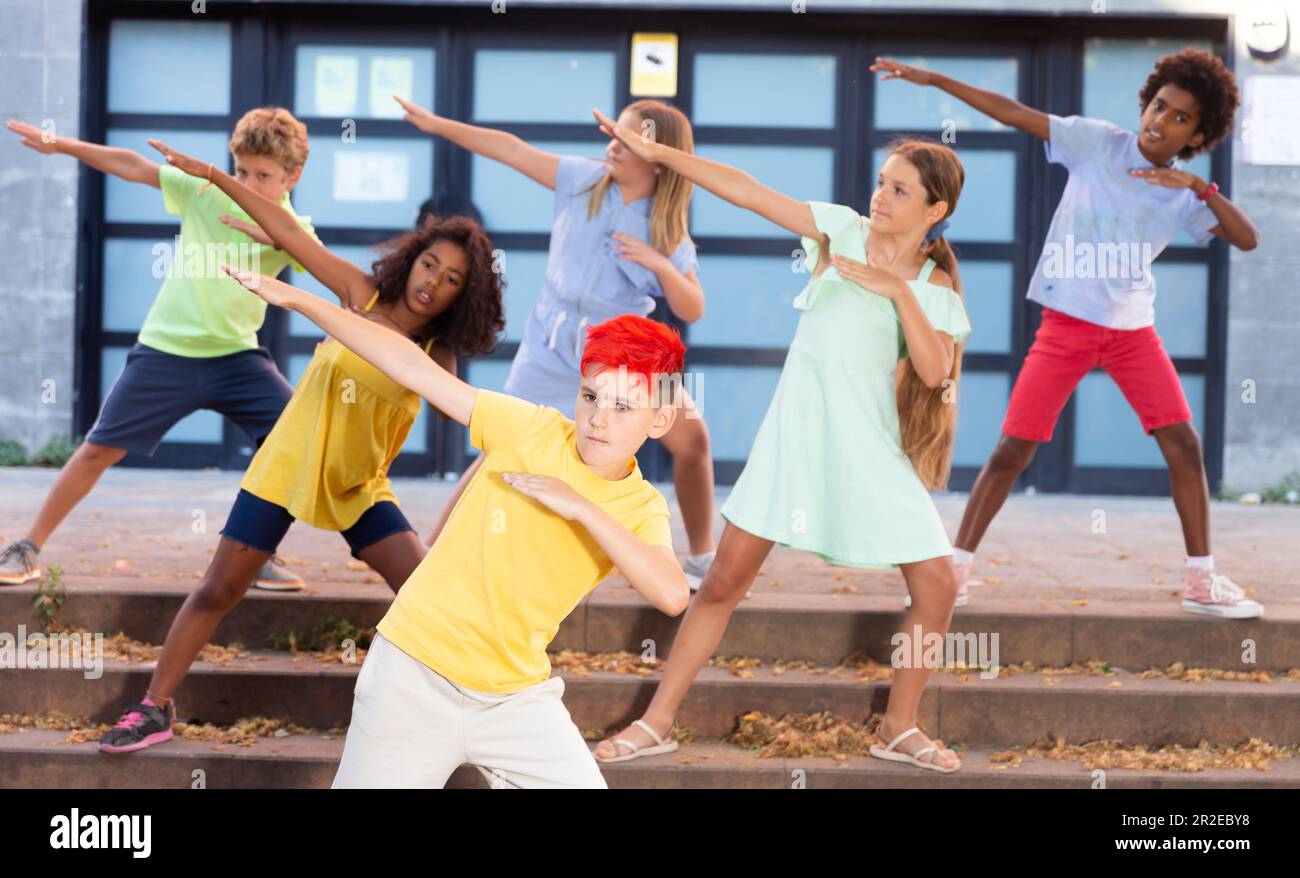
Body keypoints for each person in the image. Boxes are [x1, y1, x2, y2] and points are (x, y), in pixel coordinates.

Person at [588, 109, 972, 774]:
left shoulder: (934, 284)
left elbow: (937, 373)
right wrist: (659, 153)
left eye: (900, 190)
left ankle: (899, 726)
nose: (881, 196)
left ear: (935, 209)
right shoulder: (840, 231)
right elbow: (745, 188)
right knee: (722, 583)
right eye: (882, 182)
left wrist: (896, 291)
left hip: (871, 451)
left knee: (935, 585)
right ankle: (657, 721)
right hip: (795, 440)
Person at [96, 139, 504, 754]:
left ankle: (474, 712)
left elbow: (479, 423)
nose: (433, 283)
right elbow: (288, 230)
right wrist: (212, 176)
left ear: (461, 296)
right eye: (429, 266)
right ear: (412, 258)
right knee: (219, 589)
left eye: (451, 280)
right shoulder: (358, 293)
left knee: (426, 591)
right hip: (287, 465)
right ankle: (154, 708)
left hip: (358, 485)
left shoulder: (437, 356)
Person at [871, 49, 1262, 619]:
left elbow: (1247, 239)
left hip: (1133, 332)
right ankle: (954, 568)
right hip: (1067, 324)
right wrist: (934, 79)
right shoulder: (1098, 143)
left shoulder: (1182, 192)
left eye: (1180, 117)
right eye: (1159, 105)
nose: (1160, 120)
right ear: (1146, 101)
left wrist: (1199, 189)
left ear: (1198, 132)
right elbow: (1011, 111)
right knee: (1013, 449)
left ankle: (1202, 580)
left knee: (1183, 445)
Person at [0, 108, 316, 592]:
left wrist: (274, 233)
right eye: (241, 172)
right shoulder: (205, 193)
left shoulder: (294, 228)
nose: (248, 185)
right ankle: (27, 547)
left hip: (238, 357)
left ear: (292, 176)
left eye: (263, 176)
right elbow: (133, 165)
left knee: (293, 442)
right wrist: (62, 145)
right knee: (97, 450)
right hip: (167, 349)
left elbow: (321, 263)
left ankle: (254, 553)